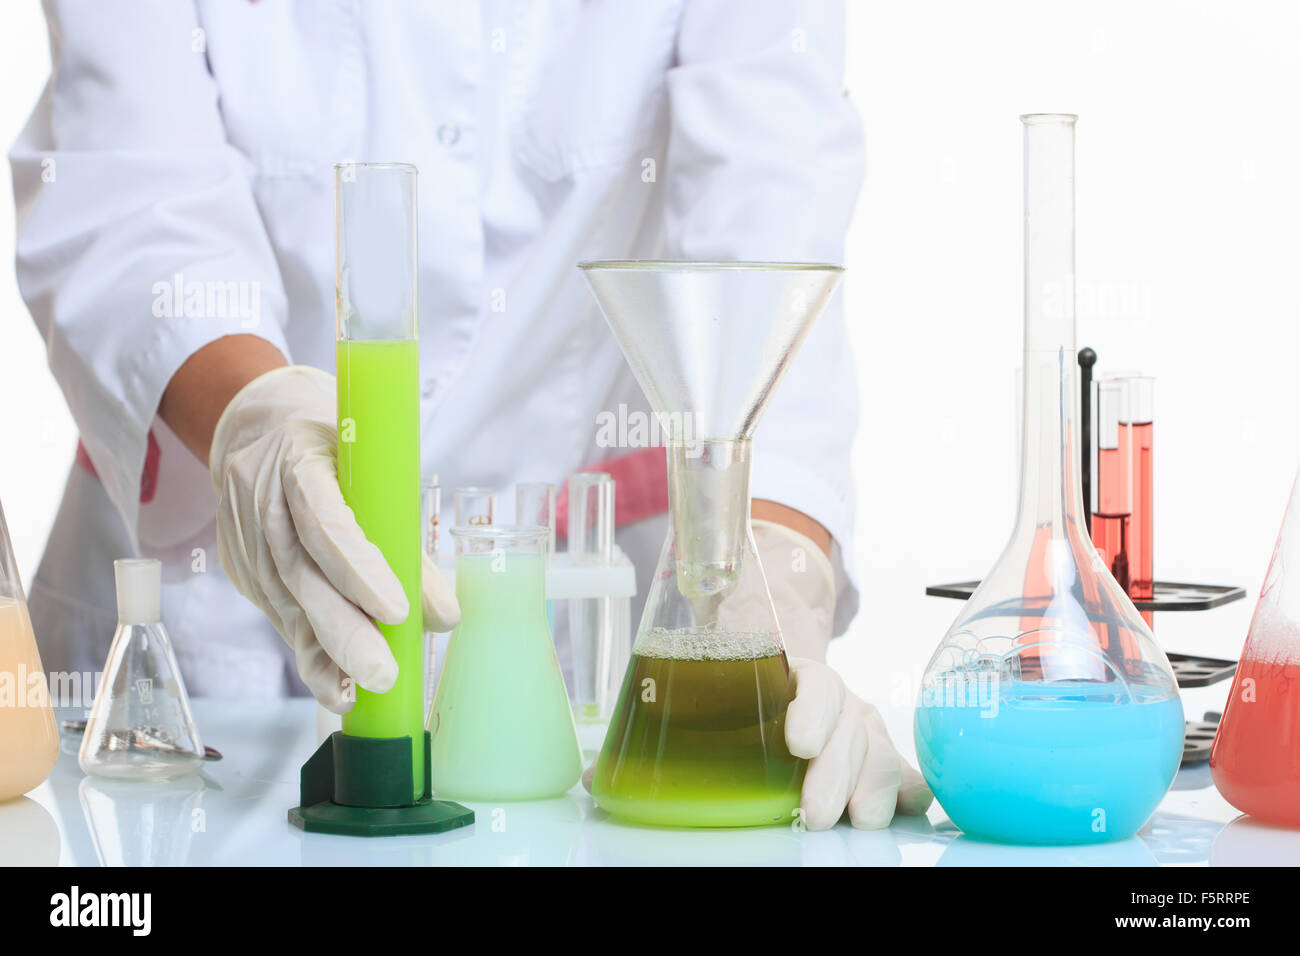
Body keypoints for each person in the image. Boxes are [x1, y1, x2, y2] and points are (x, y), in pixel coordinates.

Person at [11, 0, 929, 829]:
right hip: (217, 612)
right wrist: (258, 421)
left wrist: (771, 587)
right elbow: (130, 192)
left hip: (580, 620)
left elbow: (766, 222)